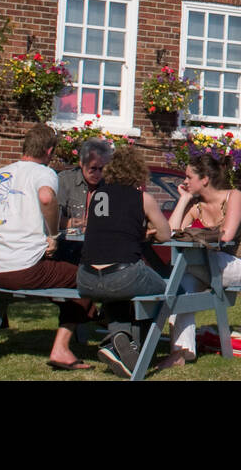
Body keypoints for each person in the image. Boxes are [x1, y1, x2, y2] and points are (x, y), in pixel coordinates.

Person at [0, 124, 95, 369]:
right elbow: (46, 198)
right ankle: (61, 350)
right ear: (49, 151)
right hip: (22, 269)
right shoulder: (43, 173)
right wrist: (53, 233)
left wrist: (6, 225)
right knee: (87, 277)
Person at [75, 144, 172, 378]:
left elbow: (106, 226)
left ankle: (118, 339)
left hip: (86, 278)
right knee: (165, 292)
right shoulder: (143, 199)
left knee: (116, 292)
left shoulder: (97, 195)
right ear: (138, 172)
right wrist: (147, 231)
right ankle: (134, 349)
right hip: (123, 274)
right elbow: (165, 234)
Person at [159, 155, 241, 368]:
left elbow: (227, 234)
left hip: (236, 264)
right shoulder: (196, 204)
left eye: (188, 177)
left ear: (204, 179)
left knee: (180, 267)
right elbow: (171, 233)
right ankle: (182, 352)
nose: (184, 182)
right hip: (205, 264)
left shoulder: (233, 196)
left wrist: (193, 234)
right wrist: (183, 199)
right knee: (180, 288)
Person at [54, 138, 112, 263]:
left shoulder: (109, 185)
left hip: (98, 249)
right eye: (93, 168)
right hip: (67, 248)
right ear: (81, 163)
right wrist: (70, 223)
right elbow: (54, 217)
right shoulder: (65, 180)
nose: (97, 174)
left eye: (101, 169)